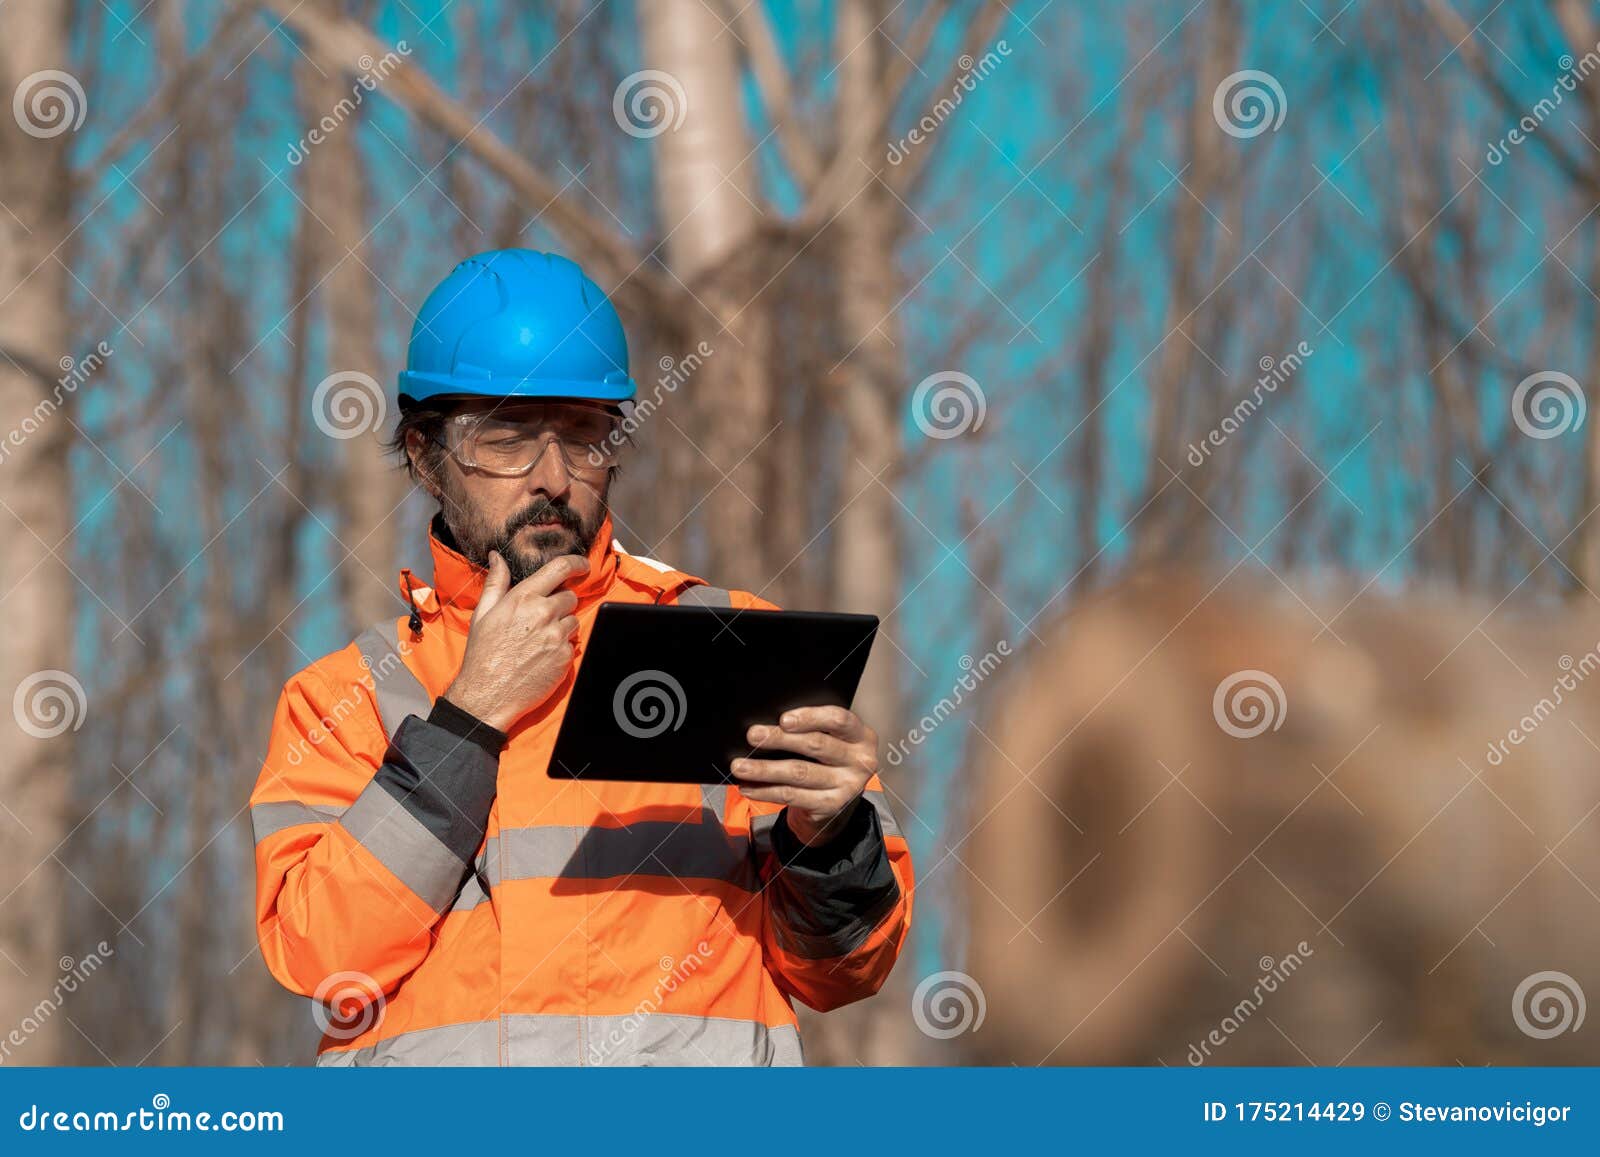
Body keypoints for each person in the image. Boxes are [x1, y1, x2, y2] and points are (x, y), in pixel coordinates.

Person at [249, 249, 913, 1066]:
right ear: (424, 455)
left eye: (584, 435)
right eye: (508, 439)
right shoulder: (345, 697)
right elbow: (323, 962)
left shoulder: (737, 648)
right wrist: (467, 721)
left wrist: (832, 831)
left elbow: (844, 968)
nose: (555, 477)